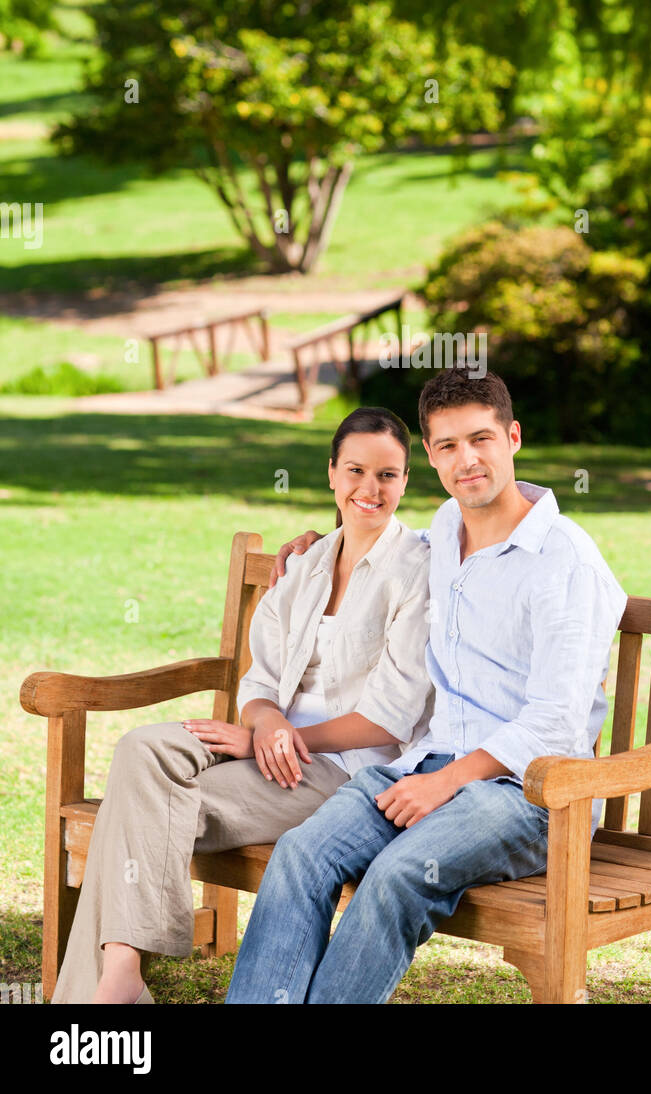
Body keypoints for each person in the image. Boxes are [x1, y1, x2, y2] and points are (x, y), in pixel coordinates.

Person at [224, 365, 627, 1005]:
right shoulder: (444, 529)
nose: (466, 460)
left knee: (399, 874)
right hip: (424, 766)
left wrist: (445, 783)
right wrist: (315, 545)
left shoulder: (566, 563)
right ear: (433, 460)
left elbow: (556, 723)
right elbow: (373, 534)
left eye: (481, 439)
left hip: (534, 796)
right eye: (446, 446)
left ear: (513, 437)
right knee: (301, 854)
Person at [50, 407, 433, 1004]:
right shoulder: (304, 564)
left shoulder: (418, 571)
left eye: (388, 475)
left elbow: (390, 718)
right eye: (356, 470)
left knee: (135, 810)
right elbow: (258, 683)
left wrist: (278, 740)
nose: (371, 488)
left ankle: (104, 997)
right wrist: (266, 722)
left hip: (338, 774)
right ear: (332, 473)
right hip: (265, 750)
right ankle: (120, 978)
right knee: (140, 751)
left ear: (406, 482)